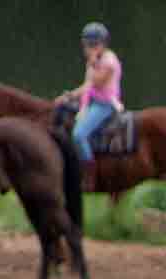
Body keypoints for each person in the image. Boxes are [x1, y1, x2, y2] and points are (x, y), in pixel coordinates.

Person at [62, 20, 122, 168]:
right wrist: (69, 97)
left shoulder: (109, 62)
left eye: (92, 45)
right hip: (92, 101)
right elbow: (87, 87)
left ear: (102, 45)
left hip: (105, 104)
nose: (87, 49)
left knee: (78, 135)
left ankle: (89, 170)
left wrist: (72, 95)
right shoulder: (93, 61)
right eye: (86, 45)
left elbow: (96, 83)